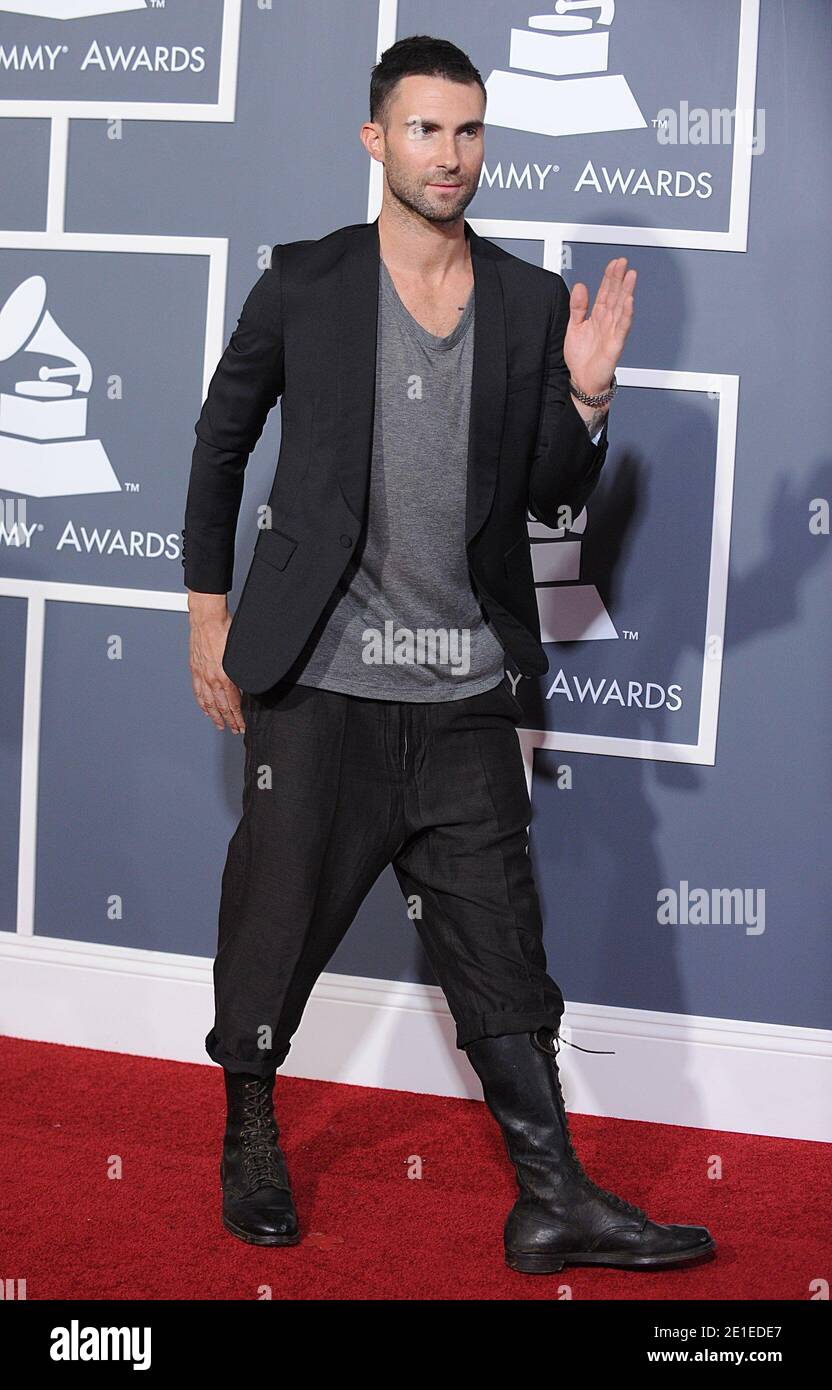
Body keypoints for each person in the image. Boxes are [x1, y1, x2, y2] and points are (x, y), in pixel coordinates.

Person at [182, 34, 715, 1275]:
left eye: (469, 131)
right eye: (425, 130)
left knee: (502, 950)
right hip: (317, 684)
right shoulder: (303, 284)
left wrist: (584, 402)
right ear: (377, 141)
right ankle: (249, 1129)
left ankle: (552, 1195)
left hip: (466, 689)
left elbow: (545, 498)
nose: (451, 156)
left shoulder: (528, 301)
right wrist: (207, 612)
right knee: (275, 923)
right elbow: (218, 447)